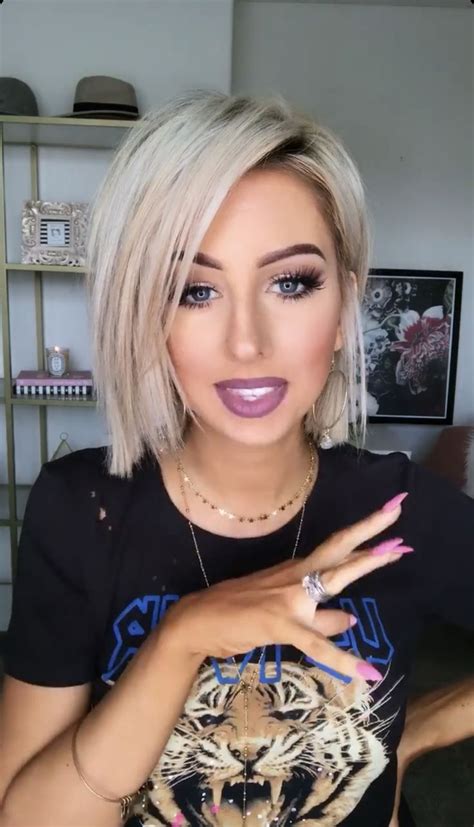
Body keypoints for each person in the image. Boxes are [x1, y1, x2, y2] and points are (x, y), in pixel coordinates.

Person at [0, 91, 473, 827]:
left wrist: (423, 728)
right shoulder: (79, 509)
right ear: (145, 315)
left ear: (344, 306)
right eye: (194, 290)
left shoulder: (404, 513)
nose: (246, 341)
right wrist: (183, 637)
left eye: (291, 282)